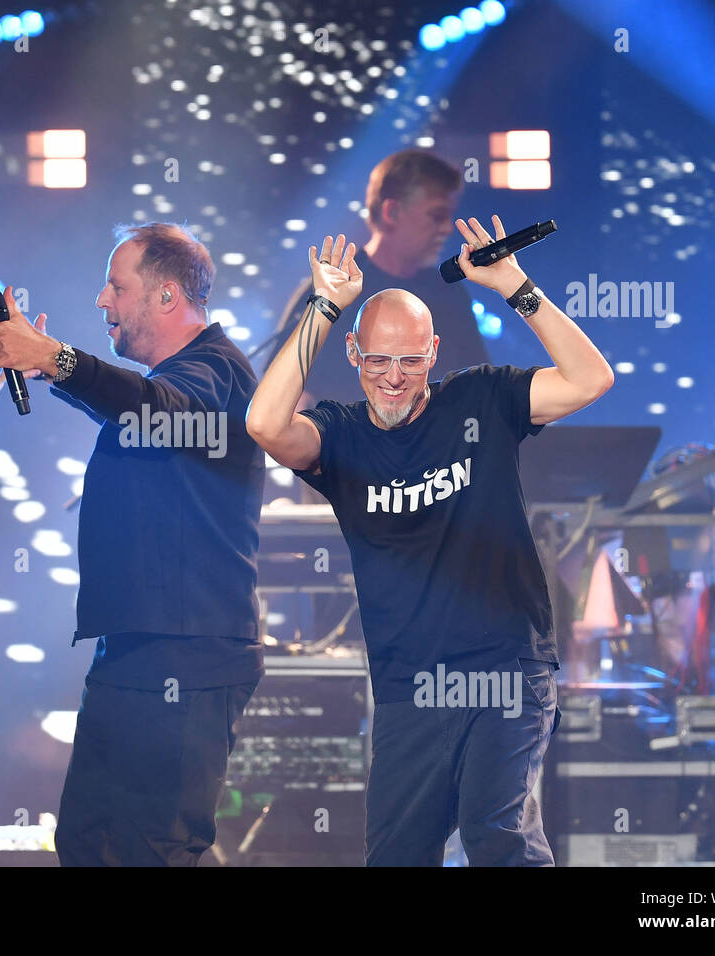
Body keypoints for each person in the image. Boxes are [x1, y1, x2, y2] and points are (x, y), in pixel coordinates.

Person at [246, 219, 613, 866]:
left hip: (505, 672)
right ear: (354, 354)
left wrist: (514, 285)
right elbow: (264, 423)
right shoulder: (341, 435)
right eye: (378, 361)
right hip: (409, 689)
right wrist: (324, 307)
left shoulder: (481, 399)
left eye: (410, 361)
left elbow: (590, 379)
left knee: (496, 835)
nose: (393, 377)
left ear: (434, 353)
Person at [0, 223, 264, 866]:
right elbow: (136, 412)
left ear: (166, 295)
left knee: (153, 848)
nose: (102, 300)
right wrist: (49, 368)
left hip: (189, 653)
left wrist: (58, 358)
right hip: (133, 648)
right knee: (88, 843)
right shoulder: (178, 380)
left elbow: (158, 411)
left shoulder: (220, 372)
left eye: (116, 287)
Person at [265, 149, 490, 406]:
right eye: (436, 215)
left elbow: (478, 388)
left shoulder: (450, 292)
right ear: (391, 212)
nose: (447, 228)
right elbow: (283, 398)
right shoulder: (333, 289)